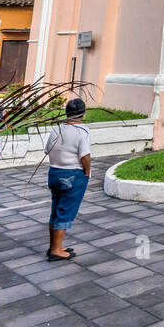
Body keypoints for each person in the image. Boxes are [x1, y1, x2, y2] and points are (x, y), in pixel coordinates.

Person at [44, 98, 91, 262]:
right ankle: (56, 250)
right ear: (83, 114)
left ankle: (54, 245)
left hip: (55, 172)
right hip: (72, 174)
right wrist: (87, 172)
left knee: (56, 209)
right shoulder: (82, 131)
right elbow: (85, 155)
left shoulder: (56, 129)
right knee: (65, 211)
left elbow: (47, 150)